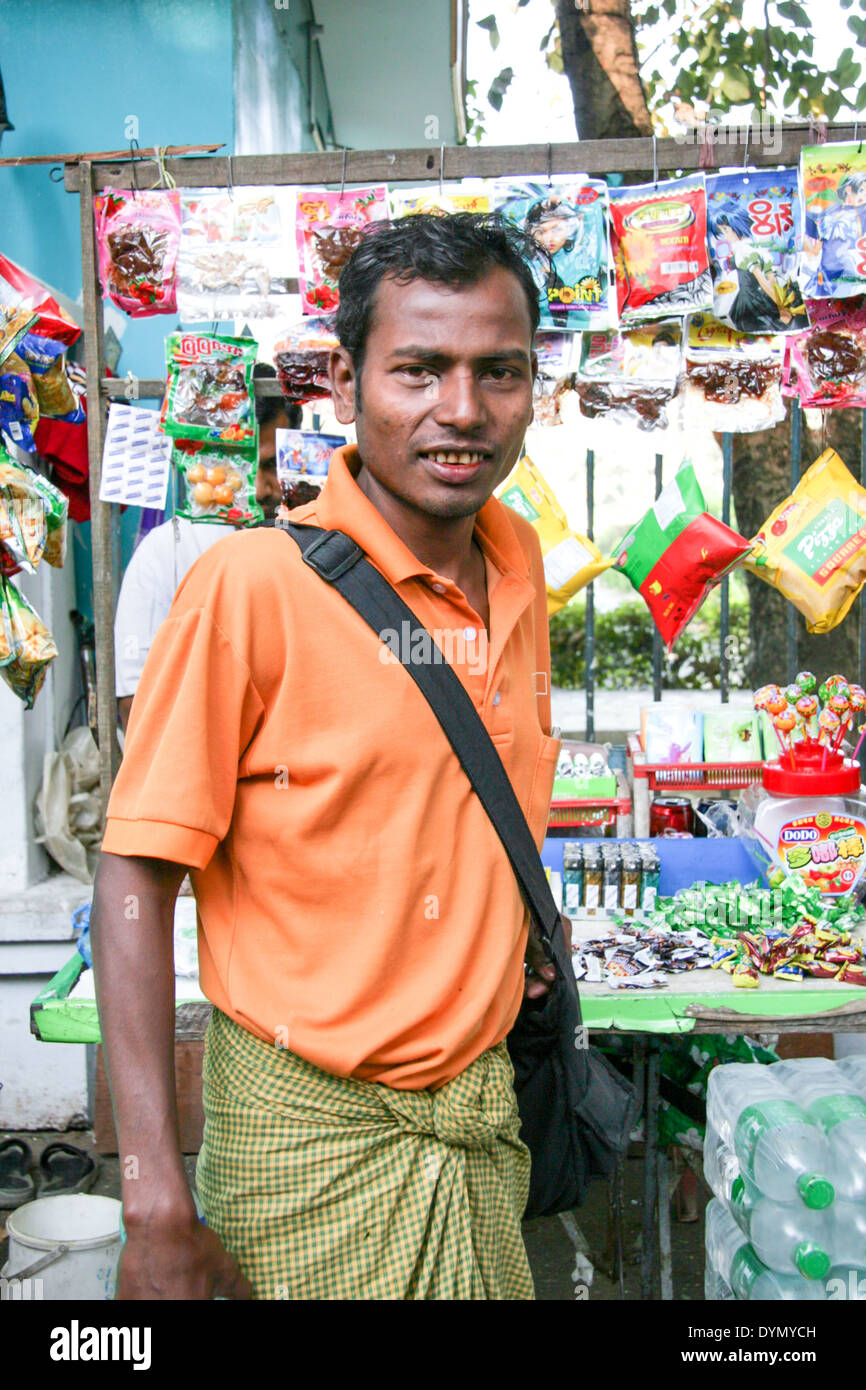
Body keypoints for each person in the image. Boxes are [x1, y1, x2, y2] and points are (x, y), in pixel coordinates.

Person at [91, 212, 569, 1301]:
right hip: (309, 1143)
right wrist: (153, 1197)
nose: (461, 410)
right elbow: (133, 870)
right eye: (419, 370)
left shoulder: (519, 561)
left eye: (498, 371)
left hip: (476, 1127)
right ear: (347, 388)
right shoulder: (250, 587)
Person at [114, 365, 300, 731]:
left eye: (274, 466)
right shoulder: (164, 553)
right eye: (246, 467)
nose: (263, 488)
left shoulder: (314, 543)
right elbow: (134, 708)